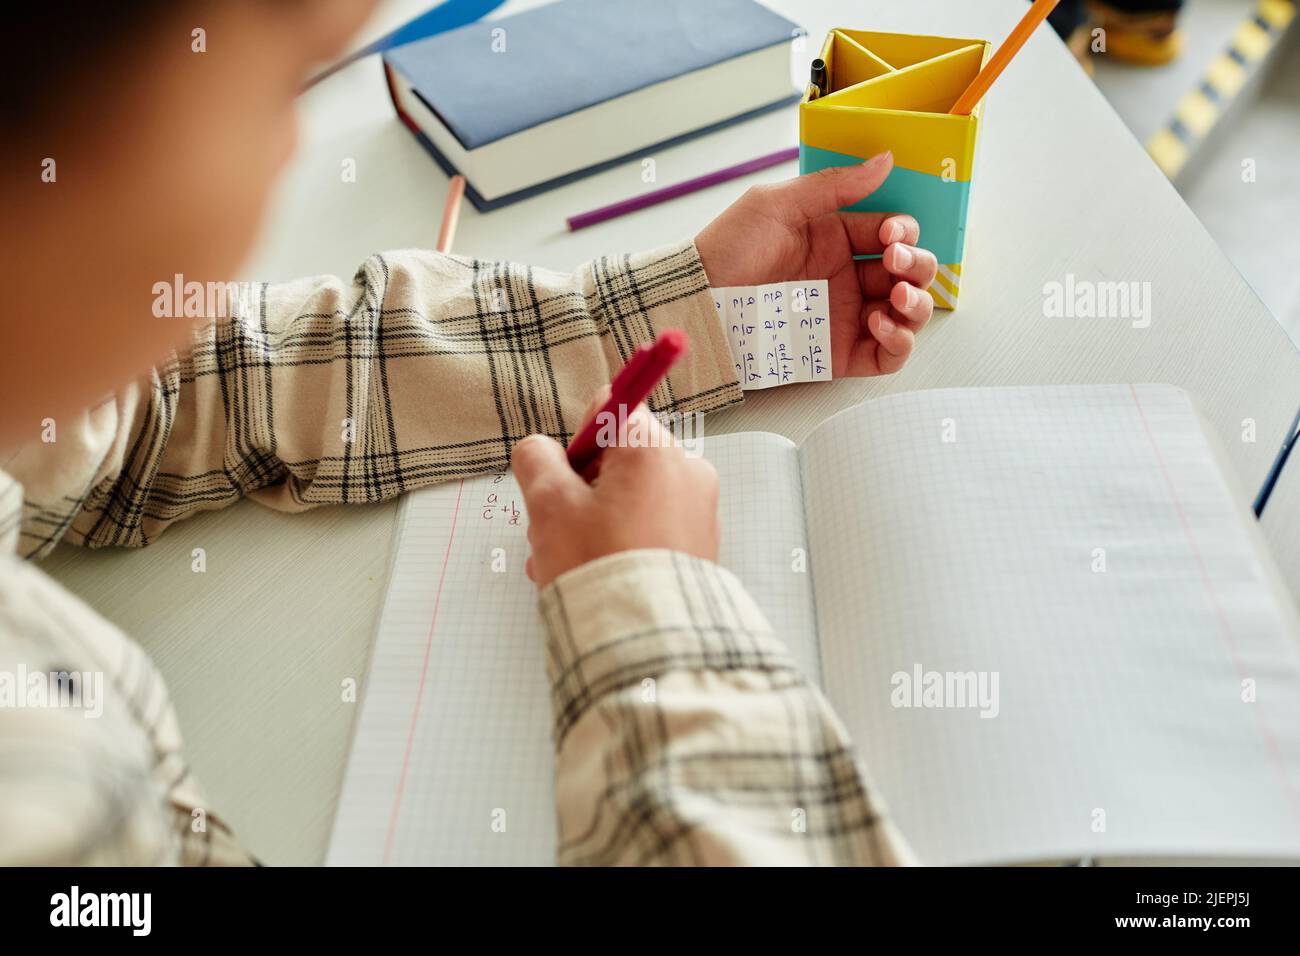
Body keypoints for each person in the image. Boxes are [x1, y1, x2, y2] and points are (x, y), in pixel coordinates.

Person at [2, 1, 937, 865]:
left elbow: (193, 390)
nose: (291, 148)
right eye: (284, 84)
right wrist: (654, 615)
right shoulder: (41, 782)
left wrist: (670, 320)